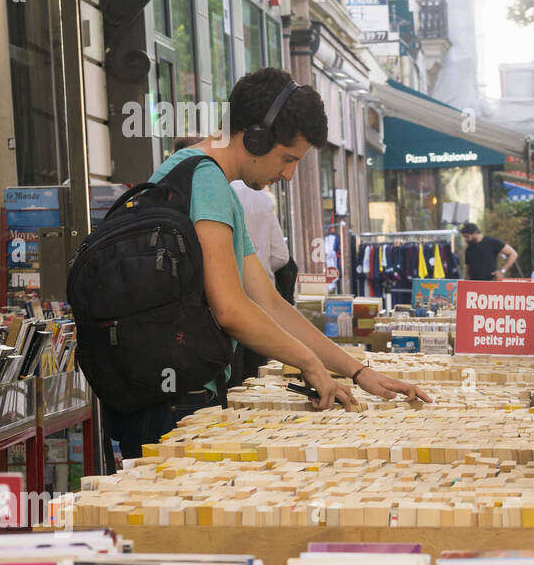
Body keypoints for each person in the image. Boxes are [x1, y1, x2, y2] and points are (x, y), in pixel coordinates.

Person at [103, 68, 432, 460]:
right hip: (172, 403)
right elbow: (231, 309)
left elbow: (271, 303)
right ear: (256, 136)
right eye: (287, 158)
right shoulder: (206, 181)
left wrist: (357, 372)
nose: (289, 174)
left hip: (163, 394)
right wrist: (308, 363)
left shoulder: (202, 176)